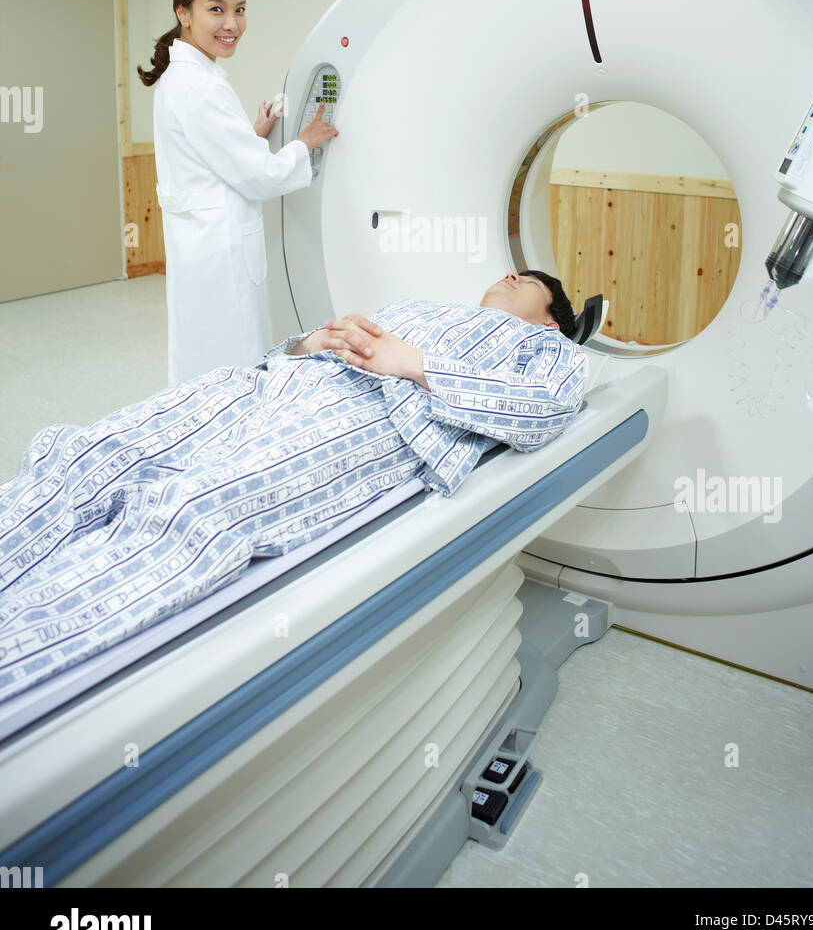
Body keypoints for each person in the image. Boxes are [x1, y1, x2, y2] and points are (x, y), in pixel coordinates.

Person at [0, 270, 585, 705]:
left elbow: (543, 413)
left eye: (527, 279)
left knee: (190, 508)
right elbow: (279, 353)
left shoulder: (547, 348)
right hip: (266, 386)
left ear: (552, 317)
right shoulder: (416, 304)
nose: (509, 275)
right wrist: (313, 343)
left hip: (366, 418)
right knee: (79, 453)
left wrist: (409, 362)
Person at [138, 0, 337, 385]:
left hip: (201, 245)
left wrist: (252, 134)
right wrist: (305, 142)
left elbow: (208, 157)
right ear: (183, 14)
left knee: (202, 357)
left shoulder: (186, 74)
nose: (231, 23)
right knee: (228, 363)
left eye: (240, 9)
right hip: (219, 251)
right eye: (216, 9)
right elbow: (261, 177)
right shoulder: (200, 85)